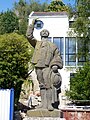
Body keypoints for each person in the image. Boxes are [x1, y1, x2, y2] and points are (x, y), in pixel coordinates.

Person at [26, 19, 63, 111]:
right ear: (41, 34)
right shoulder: (37, 43)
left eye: (46, 32)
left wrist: (55, 65)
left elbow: (57, 56)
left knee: (48, 85)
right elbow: (29, 36)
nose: (44, 33)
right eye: (43, 32)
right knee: (41, 85)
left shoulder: (52, 45)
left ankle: (49, 104)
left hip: (47, 67)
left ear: (48, 35)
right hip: (38, 66)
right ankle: (43, 104)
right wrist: (32, 25)